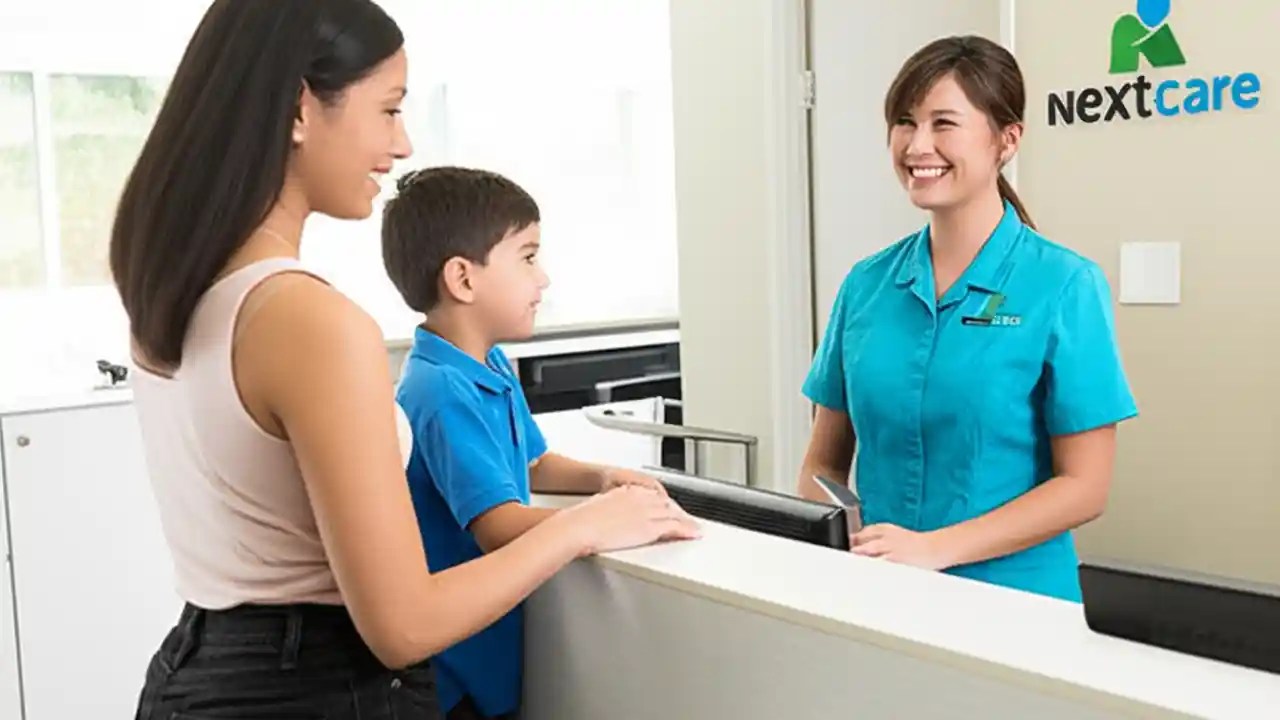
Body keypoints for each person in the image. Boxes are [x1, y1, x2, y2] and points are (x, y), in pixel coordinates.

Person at [112, 2, 699, 718]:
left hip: (195, 673)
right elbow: (404, 625)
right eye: (388, 109)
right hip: (316, 691)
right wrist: (587, 525)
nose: (403, 142)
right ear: (300, 106)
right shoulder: (309, 322)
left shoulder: (171, 293)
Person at [796, 35, 1137, 603]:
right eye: (905, 122)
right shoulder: (865, 285)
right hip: (880, 592)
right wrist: (834, 541)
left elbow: (1085, 487)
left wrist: (936, 548)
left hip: (1014, 603)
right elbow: (823, 463)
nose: (917, 144)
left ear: (1007, 140)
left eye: (943, 123)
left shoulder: (1065, 285)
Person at [380, 166, 687, 720]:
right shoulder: (439, 388)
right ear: (463, 279)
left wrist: (602, 480)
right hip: (456, 671)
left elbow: (534, 461)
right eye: (527, 257)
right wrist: (603, 523)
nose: (542, 279)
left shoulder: (487, 362)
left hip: (495, 651)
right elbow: (497, 526)